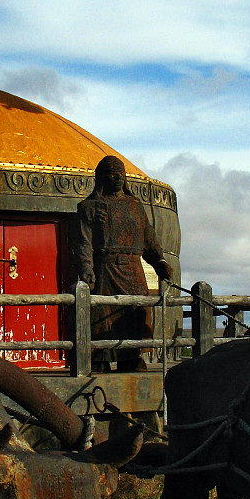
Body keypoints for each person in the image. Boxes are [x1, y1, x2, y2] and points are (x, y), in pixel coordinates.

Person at [73, 156, 172, 371]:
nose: (117, 177)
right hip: (105, 269)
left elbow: (149, 239)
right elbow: (83, 242)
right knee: (102, 316)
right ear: (102, 178)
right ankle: (99, 359)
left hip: (133, 269)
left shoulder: (135, 206)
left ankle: (131, 357)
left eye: (121, 173)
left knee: (134, 313)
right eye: (111, 173)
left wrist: (160, 261)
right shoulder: (90, 207)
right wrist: (86, 269)